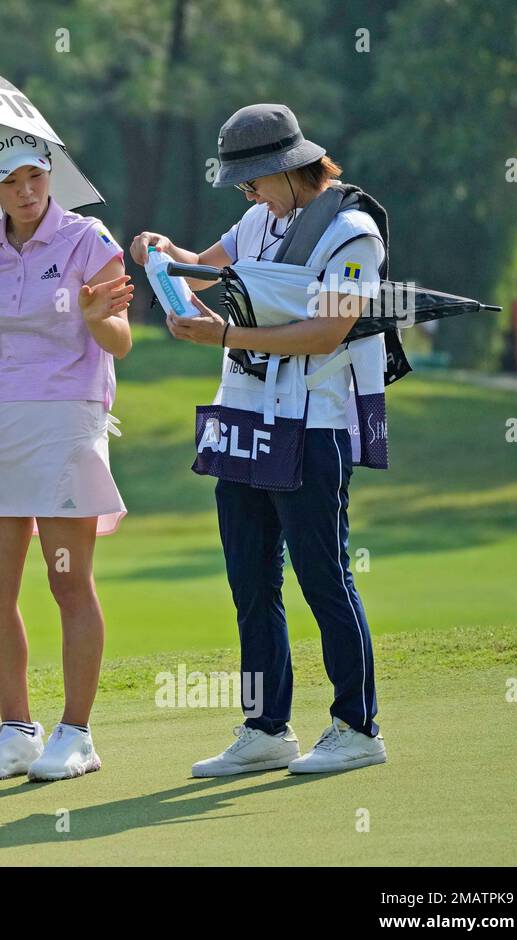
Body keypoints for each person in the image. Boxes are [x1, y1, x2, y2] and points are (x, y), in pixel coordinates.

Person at [131, 103, 388, 775]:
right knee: (250, 581)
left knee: (324, 578)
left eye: (252, 178)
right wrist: (162, 253)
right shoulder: (257, 219)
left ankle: (358, 727)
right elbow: (199, 266)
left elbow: (326, 333)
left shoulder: (352, 234)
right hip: (242, 419)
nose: (244, 191)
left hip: (314, 423)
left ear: (289, 166)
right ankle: (267, 727)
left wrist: (223, 335)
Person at [0, 122, 133, 782]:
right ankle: (17, 729)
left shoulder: (87, 241)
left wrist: (94, 313)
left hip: (68, 423)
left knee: (66, 581)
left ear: (50, 174)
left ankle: (76, 733)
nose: (26, 191)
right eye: (10, 180)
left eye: (36, 176)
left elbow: (120, 341)